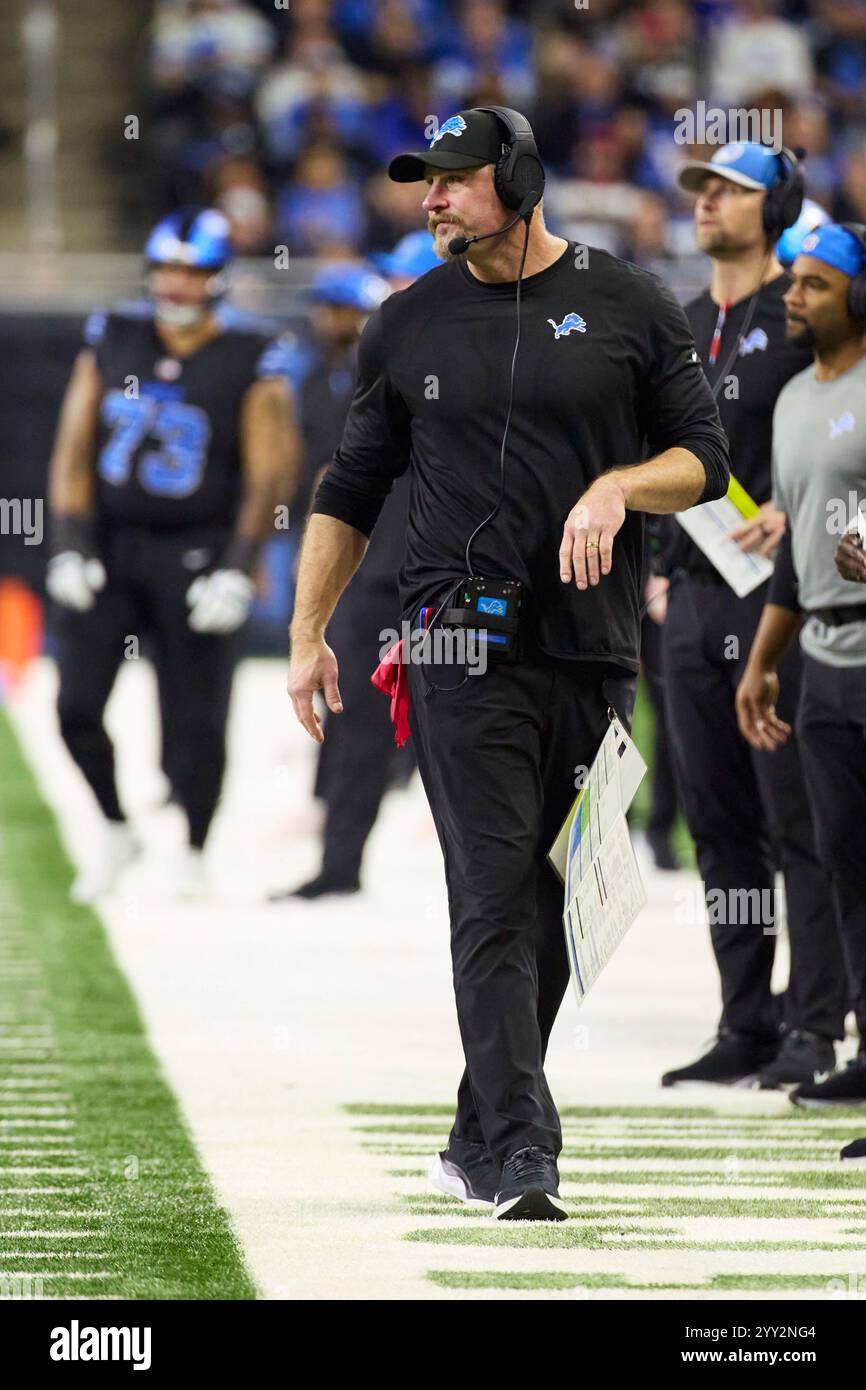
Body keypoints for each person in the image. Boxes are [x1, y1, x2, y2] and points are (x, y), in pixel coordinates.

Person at [286, 106, 729, 1221]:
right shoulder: (404, 322)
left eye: (451, 179)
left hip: (593, 647)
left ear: (519, 179)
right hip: (453, 642)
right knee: (487, 886)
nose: (428, 198)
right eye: (422, 182)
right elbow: (347, 490)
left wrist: (617, 485)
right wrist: (307, 635)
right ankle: (523, 1152)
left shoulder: (629, 303)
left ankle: (473, 1123)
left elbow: (703, 461)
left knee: (560, 902)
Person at [659, 143, 847, 1092]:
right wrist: (656, 570)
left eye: (730, 189)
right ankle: (747, 1017)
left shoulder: (812, 307)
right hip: (691, 597)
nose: (707, 202)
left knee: (799, 819)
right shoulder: (685, 320)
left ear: (775, 205)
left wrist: (803, 518)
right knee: (718, 824)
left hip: (783, 598)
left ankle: (818, 1023)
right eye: (702, 188)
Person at [47, 207, 296, 901]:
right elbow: (74, 447)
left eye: (191, 272)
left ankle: (192, 845)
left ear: (217, 278)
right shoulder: (115, 334)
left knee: (194, 717)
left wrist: (238, 561)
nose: (177, 286)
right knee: (74, 704)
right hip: (112, 545)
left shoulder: (252, 355)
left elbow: (270, 470)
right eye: (167, 271)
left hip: (196, 550)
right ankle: (115, 826)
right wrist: (69, 542)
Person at [736, 222, 866, 1133]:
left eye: (816, 285)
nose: (794, 296)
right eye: (795, 283)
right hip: (820, 656)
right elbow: (795, 551)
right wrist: (762, 662)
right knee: (842, 867)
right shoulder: (790, 401)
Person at [269, 254, 425, 902]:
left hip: (453, 575)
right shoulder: (358, 374)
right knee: (358, 718)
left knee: (477, 731)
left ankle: (515, 889)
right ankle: (340, 864)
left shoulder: (475, 362)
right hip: (378, 569)